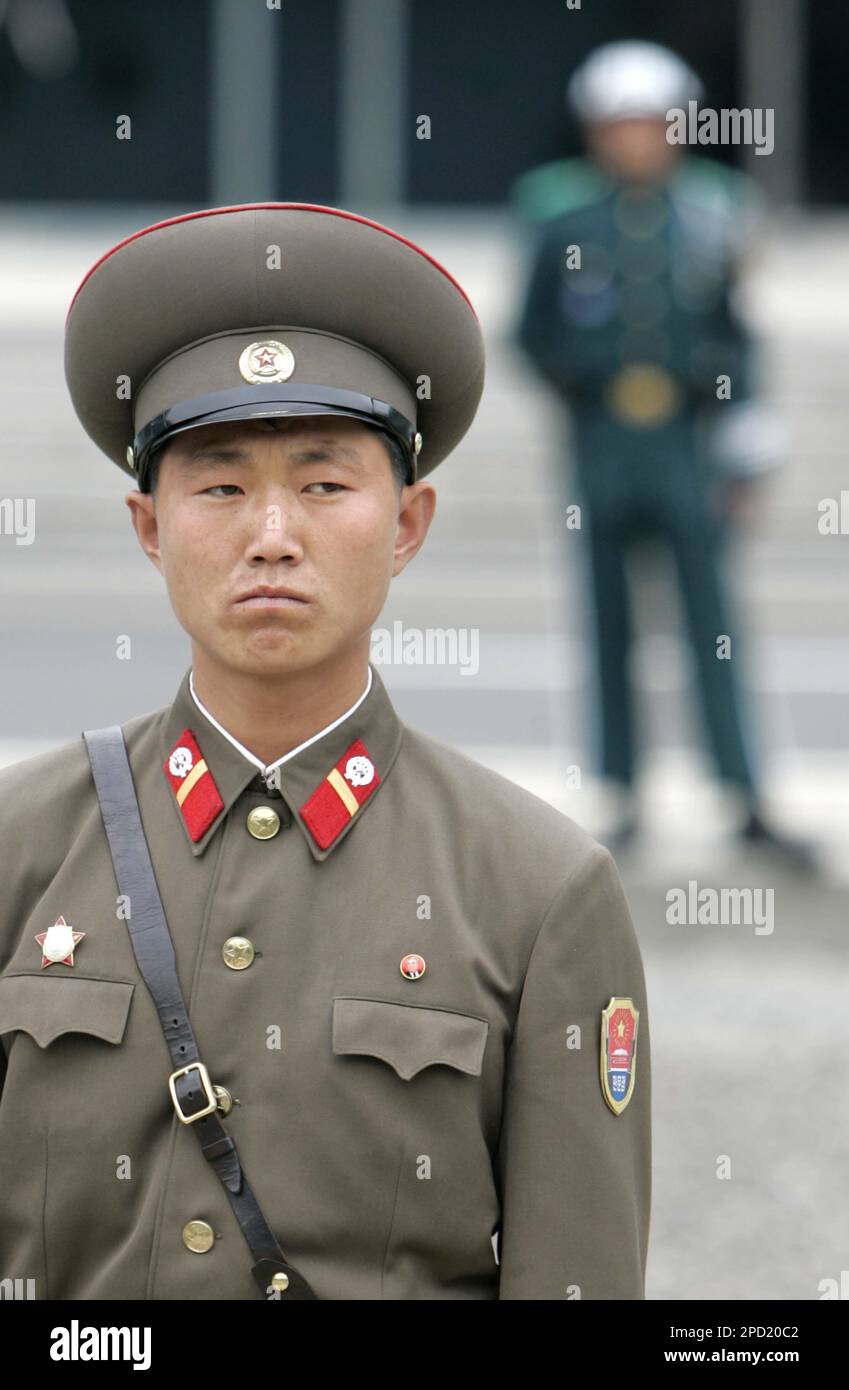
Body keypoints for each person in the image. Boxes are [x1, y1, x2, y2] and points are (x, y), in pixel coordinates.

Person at [0, 202, 650, 1300]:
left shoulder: (537, 892)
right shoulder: (22, 848)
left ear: (406, 523)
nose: (271, 534)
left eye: (323, 482)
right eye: (218, 484)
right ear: (148, 526)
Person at [511, 41, 815, 869]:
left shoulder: (711, 214)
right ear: (596, 132)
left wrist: (745, 440)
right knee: (607, 619)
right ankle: (622, 793)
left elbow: (733, 330)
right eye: (620, 125)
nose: (636, 140)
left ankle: (744, 794)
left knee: (711, 624)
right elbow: (531, 330)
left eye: (650, 123)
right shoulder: (563, 219)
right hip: (604, 441)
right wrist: (579, 388)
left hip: (688, 442)